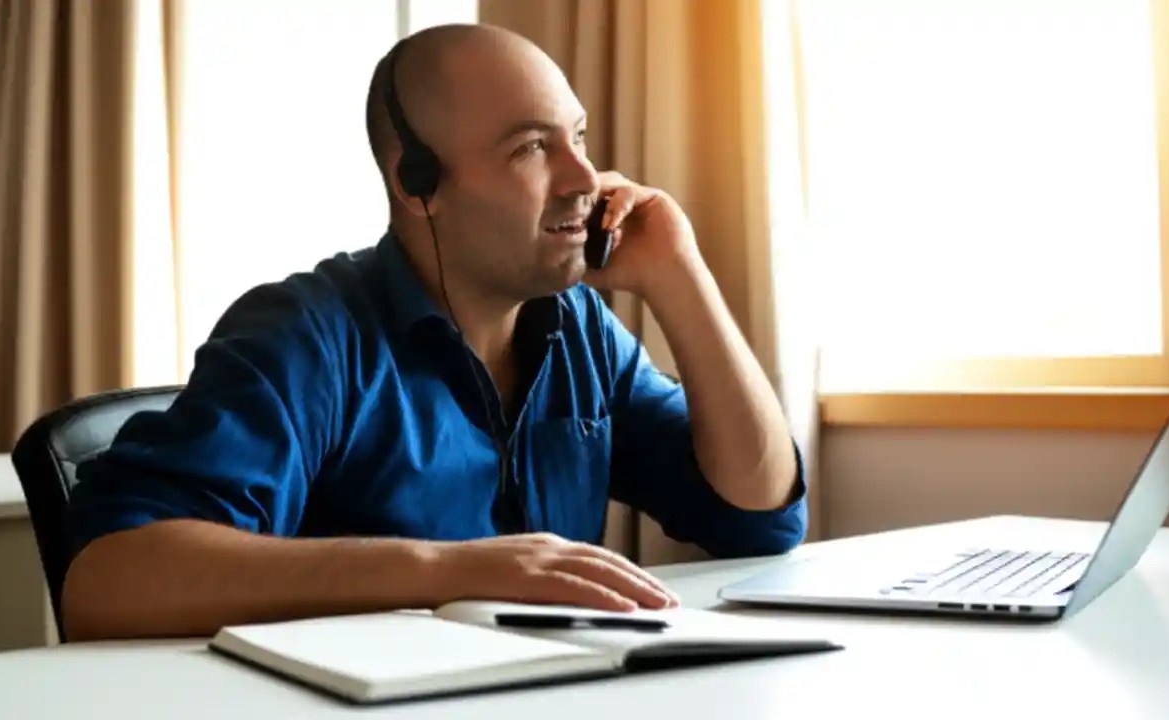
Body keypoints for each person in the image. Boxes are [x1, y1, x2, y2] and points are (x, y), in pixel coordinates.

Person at [60, 23, 807, 641]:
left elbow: (758, 515)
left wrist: (682, 276)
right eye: (531, 148)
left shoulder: (578, 329)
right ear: (416, 182)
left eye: (578, 137)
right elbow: (107, 582)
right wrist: (449, 569)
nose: (584, 177)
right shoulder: (305, 336)